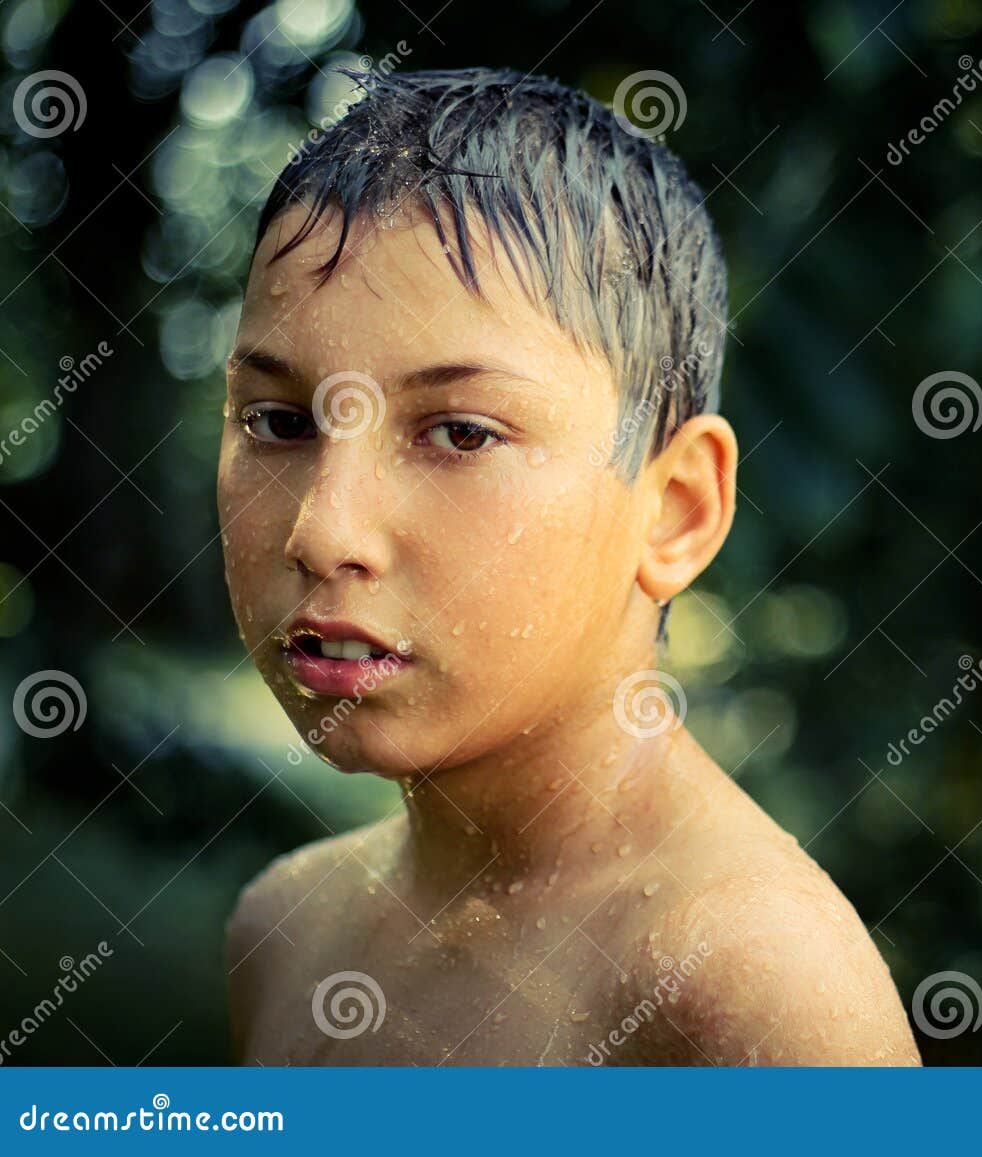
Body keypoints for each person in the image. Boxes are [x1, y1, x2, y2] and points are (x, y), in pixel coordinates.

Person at [217, 67, 918, 1066]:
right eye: (279, 422)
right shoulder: (284, 928)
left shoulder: (750, 985)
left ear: (674, 510)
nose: (323, 531)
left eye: (460, 433)